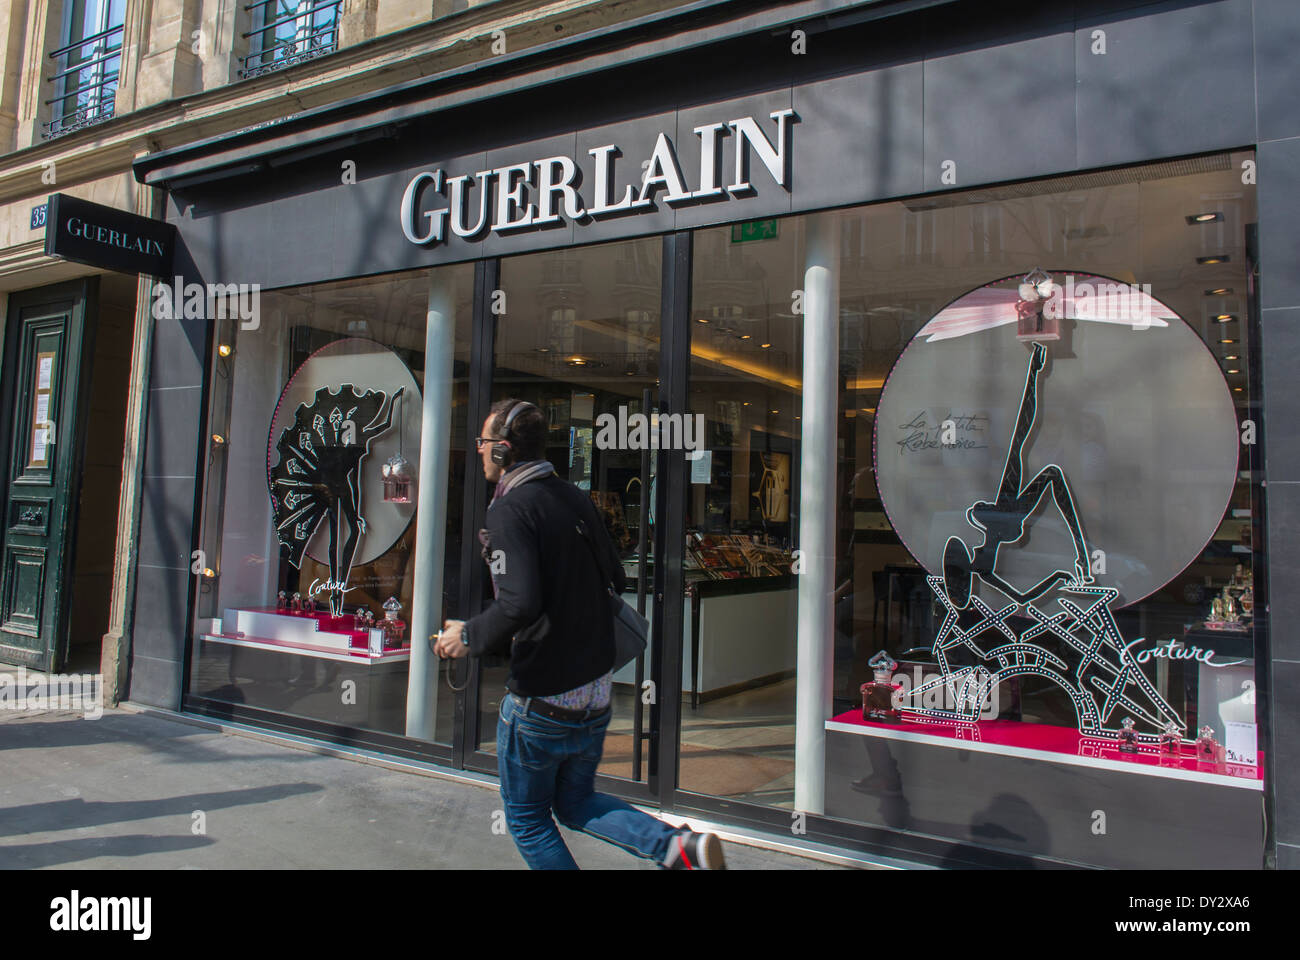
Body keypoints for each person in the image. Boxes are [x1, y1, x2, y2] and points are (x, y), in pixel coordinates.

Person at [435, 398, 725, 870]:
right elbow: (612, 570)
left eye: (484, 442)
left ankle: (674, 848)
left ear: (504, 451)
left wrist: (466, 636)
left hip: (544, 694)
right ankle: (675, 847)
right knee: (575, 802)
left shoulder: (510, 510)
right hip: (594, 690)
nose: (479, 449)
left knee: (527, 817)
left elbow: (518, 602)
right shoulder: (571, 496)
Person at [942, 342, 1093, 609]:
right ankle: (1082, 553)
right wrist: (1057, 577)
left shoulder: (983, 563)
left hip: (1001, 516)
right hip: (1004, 520)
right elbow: (1022, 599)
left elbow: (1022, 599)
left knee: (1022, 446)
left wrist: (1058, 578)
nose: (973, 550)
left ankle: (1033, 371)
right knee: (1032, 456)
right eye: (971, 554)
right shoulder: (986, 568)